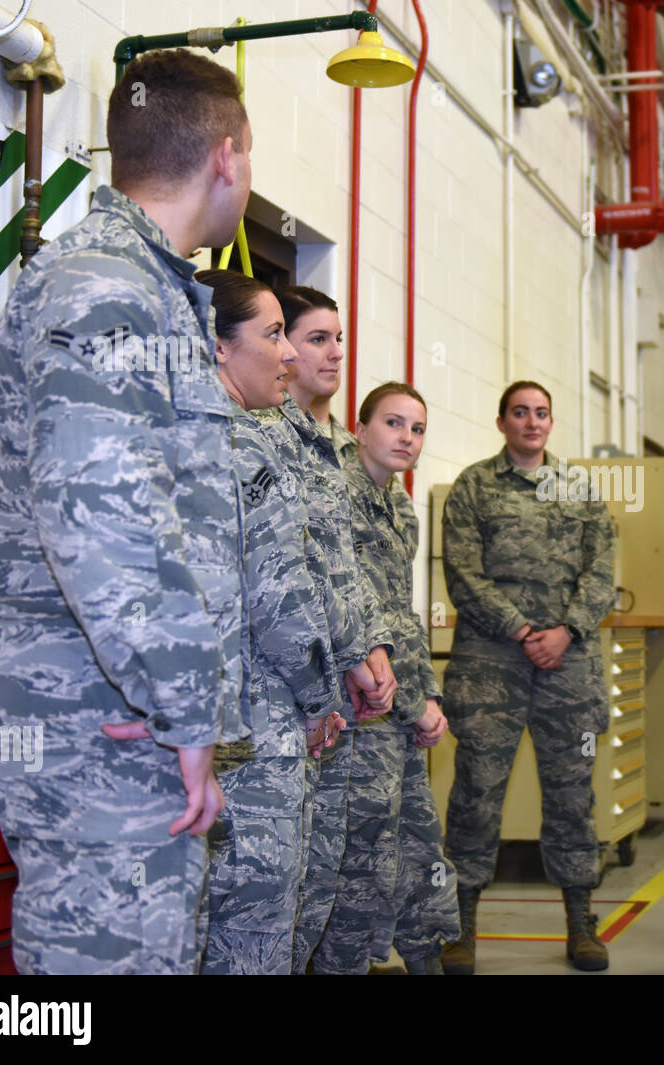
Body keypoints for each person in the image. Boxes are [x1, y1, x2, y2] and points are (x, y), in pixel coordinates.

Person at [0, 49, 252, 974]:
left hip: (120, 714)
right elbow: (109, 526)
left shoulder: (154, 290)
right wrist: (185, 709)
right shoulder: (106, 286)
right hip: (99, 722)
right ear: (229, 156)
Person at [193, 269, 346, 975]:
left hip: (191, 737)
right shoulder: (244, 444)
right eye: (274, 333)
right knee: (252, 938)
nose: (288, 355)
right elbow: (280, 594)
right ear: (219, 347)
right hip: (254, 734)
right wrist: (320, 699)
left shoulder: (161, 431)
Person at [440, 381, 616, 973]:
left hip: (569, 663)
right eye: (521, 413)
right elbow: (462, 574)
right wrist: (520, 629)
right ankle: (461, 928)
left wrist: (566, 629)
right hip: (491, 663)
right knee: (476, 794)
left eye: (542, 413)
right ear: (502, 422)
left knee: (572, 794)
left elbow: (602, 573)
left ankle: (580, 922)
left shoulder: (583, 490)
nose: (532, 422)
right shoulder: (472, 486)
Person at [269, 285, 398, 974]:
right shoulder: (263, 436)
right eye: (319, 337)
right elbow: (285, 574)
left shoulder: (328, 445)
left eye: (339, 338)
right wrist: (339, 665)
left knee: (321, 879)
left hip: (340, 692)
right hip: (290, 694)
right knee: (274, 894)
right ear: (283, 346)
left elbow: (346, 568)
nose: (335, 351)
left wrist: (371, 647)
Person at [333, 382, 459, 975]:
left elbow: (402, 614)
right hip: (358, 701)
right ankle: (349, 960)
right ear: (361, 427)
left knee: (416, 836)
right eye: (393, 423)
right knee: (368, 848)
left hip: (400, 703)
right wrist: (410, 700)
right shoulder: (339, 490)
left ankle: (423, 951)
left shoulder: (400, 505)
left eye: (417, 429)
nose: (406, 438)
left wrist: (426, 695)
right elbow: (357, 612)